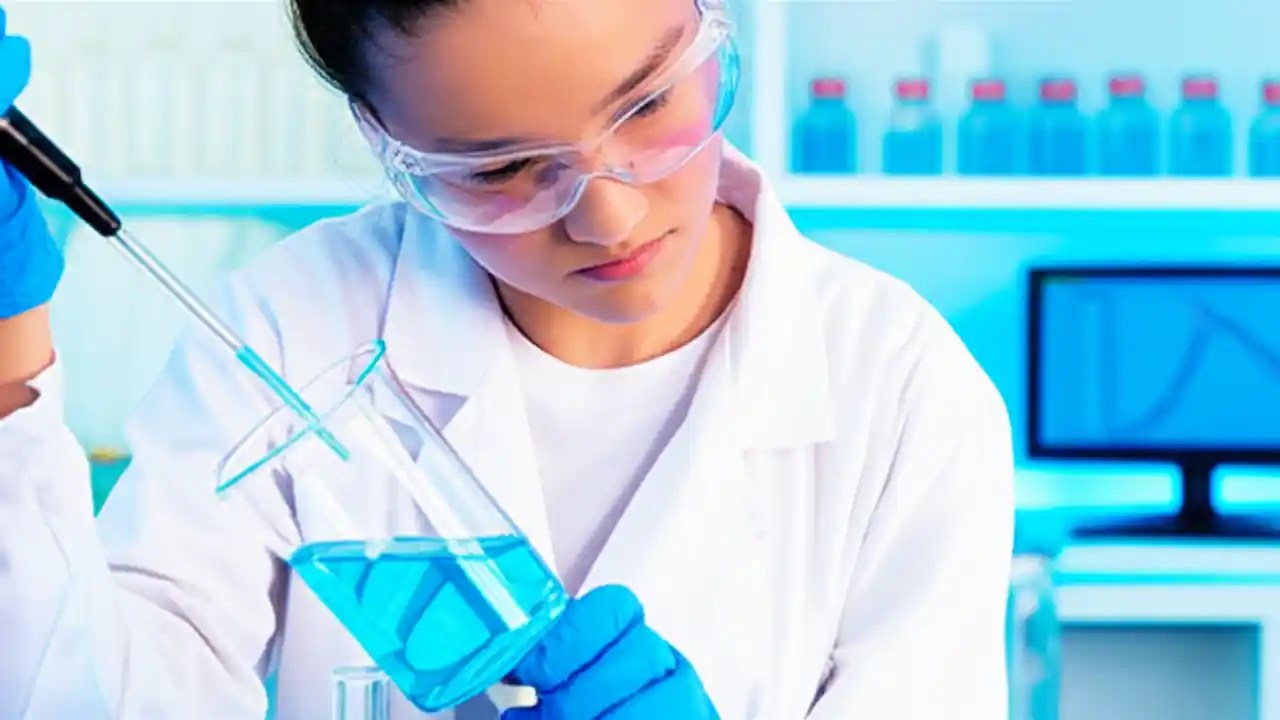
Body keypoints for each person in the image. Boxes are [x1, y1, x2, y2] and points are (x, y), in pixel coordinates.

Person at [0, 0, 1015, 717]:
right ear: (384, 142)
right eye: (503, 168)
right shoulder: (297, 325)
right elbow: (86, 701)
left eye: (646, 105)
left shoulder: (896, 384)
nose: (608, 215)